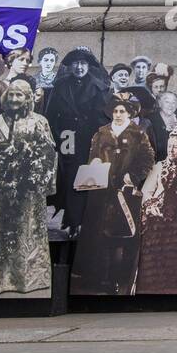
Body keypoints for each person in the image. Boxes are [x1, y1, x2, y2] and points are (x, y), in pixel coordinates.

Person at [0, 79, 57, 297]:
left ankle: (25, 280)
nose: (15, 99)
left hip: (28, 189)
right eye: (12, 95)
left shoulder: (40, 122)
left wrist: (41, 181)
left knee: (27, 233)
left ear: (28, 98)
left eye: (20, 95)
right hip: (0, 188)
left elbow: (48, 154)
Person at [71, 92, 155, 295]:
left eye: (122, 111)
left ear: (129, 113)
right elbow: (92, 156)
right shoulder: (101, 133)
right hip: (102, 192)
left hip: (126, 192)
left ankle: (122, 279)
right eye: (115, 111)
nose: (118, 114)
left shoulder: (138, 134)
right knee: (100, 234)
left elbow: (148, 158)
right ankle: (100, 279)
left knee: (125, 234)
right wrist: (95, 163)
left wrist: (133, 176)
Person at [45, 46, 112, 234]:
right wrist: (55, 136)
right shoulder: (60, 86)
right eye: (76, 63)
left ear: (88, 66)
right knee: (69, 176)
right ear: (71, 66)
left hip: (89, 138)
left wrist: (98, 141)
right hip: (66, 137)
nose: (79, 67)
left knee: (88, 177)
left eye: (83, 63)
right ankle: (71, 220)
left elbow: (104, 118)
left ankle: (83, 221)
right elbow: (51, 114)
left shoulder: (98, 88)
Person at [137, 127, 177, 294]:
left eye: (176, 146)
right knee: (155, 251)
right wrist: (151, 206)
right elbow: (147, 191)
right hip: (158, 212)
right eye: (170, 145)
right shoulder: (159, 167)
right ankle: (155, 286)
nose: (171, 150)